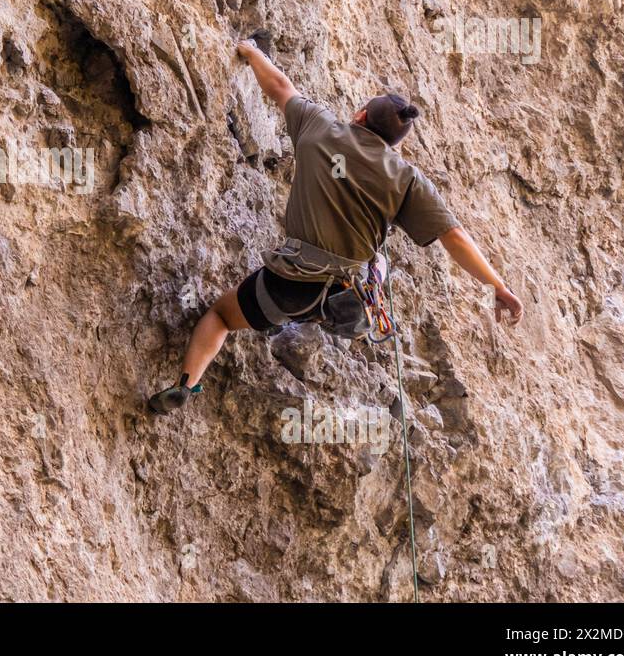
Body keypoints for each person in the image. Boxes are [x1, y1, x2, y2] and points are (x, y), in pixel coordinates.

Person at [148, 40, 524, 414]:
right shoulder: (407, 179)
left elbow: (280, 86)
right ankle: (319, 321)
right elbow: (454, 237)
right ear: (396, 142)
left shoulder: (319, 126)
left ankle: (187, 384)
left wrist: (251, 53)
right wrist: (498, 286)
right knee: (377, 263)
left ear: (360, 115)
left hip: (288, 284)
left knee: (221, 317)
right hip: (344, 299)